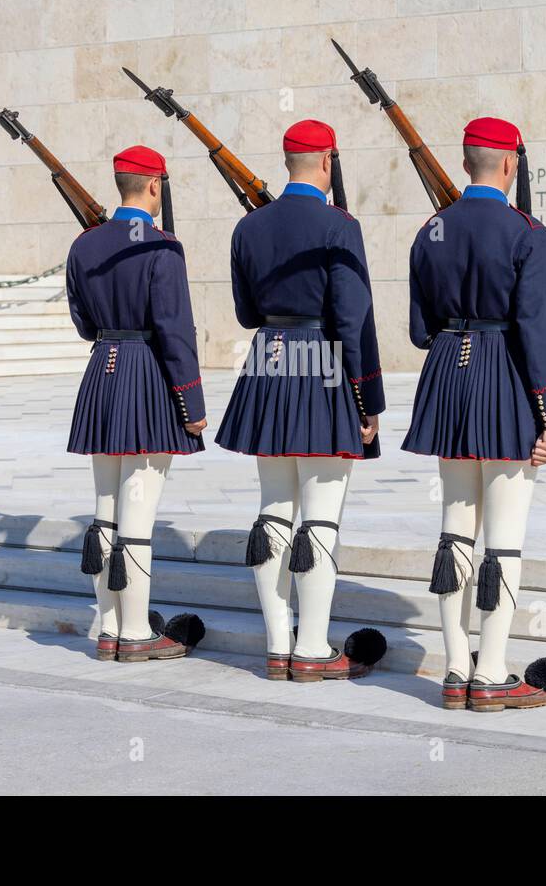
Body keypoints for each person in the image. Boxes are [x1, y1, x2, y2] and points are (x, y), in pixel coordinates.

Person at [403, 117, 546, 712]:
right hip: (505, 378)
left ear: (468, 159)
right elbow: (537, 330)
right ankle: (492, 673)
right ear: (509, 165)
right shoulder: (527, 232)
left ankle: (454, 670)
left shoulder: (432, 229)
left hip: (449, 374)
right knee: (504, 539)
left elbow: (421, 330)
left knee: (454, 530)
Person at [215, 119, 388, 683]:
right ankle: (312, 647)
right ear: (327, 162)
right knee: (320, 517)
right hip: (323, 366)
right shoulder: (340, 225)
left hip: (269, 360)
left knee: (273, 509)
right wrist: (368, 397)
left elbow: (245, 313)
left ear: (288, 161)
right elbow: (352, 318)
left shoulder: (250, 227)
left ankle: (275, 644)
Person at [66, 144, 206, 662]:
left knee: (105, 512)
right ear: (155, 186)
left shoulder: (85, 245)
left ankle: (107, 627)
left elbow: (84, 323)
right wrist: (191, 402)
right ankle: (135, 635)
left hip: (102, 372)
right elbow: (175, 331)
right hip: (146, 374)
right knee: (138, 515)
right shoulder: (162, 247)